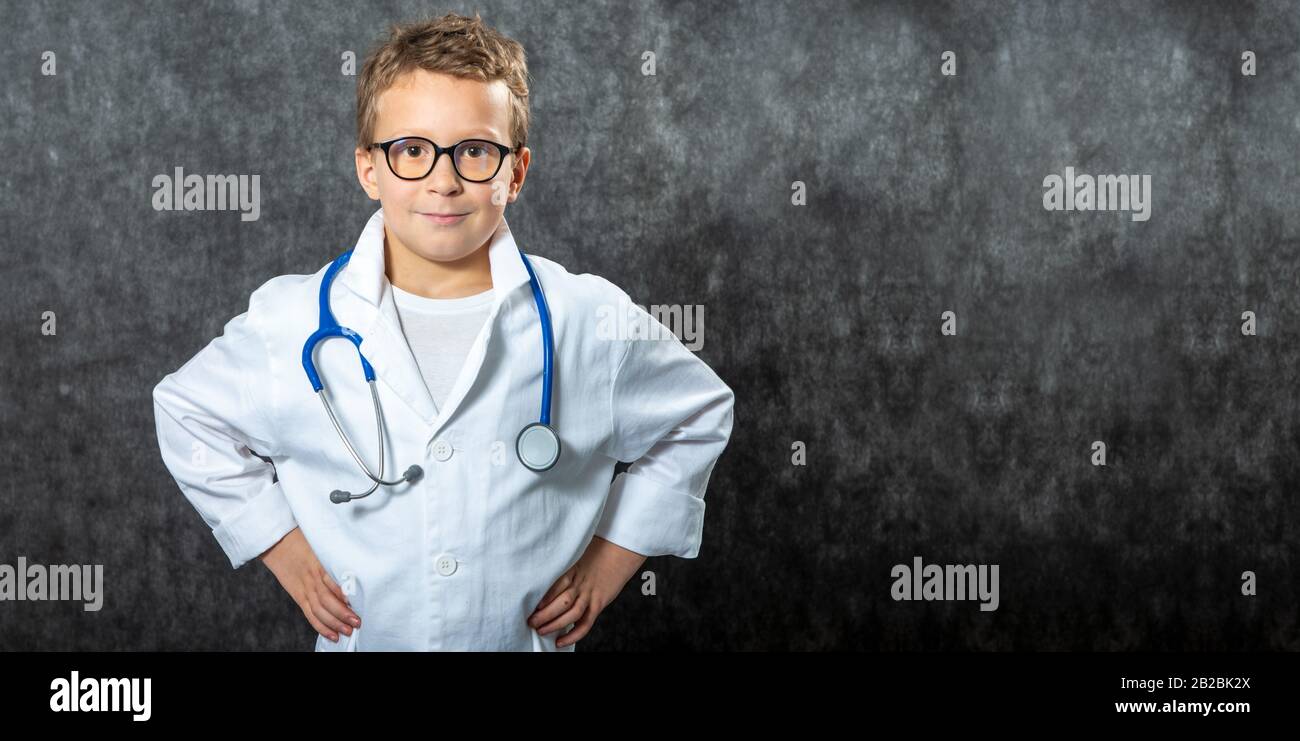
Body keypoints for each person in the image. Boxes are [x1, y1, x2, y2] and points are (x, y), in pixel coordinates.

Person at [151, 12, 735, 651]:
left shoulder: (585, 318)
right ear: (368, 169)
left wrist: (611, 558)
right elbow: (185, 411)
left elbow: (698, 413)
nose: (444, 180)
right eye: (411, 150)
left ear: (515, 173)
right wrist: (276, 542)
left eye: (476, 151)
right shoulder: (291, 321)